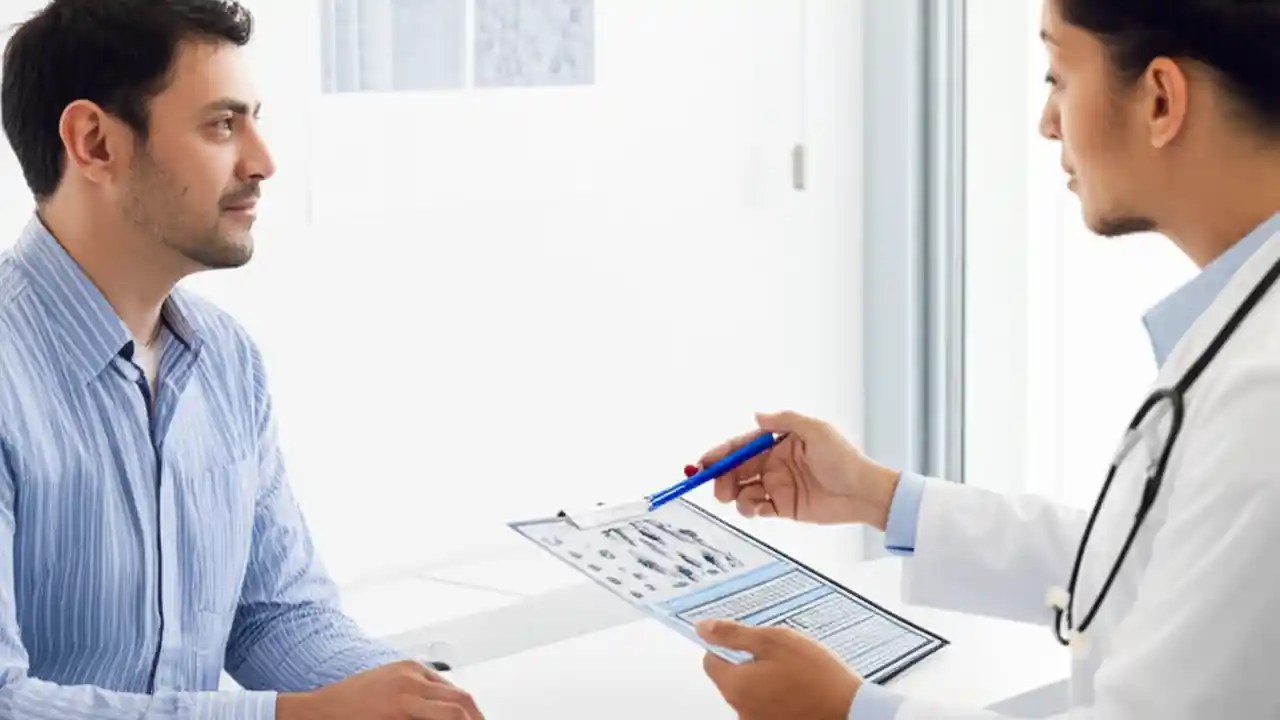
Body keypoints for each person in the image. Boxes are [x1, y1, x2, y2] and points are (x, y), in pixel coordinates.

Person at [694, 0, 1280, 718]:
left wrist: (849, 712)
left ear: (1160, 99)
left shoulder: (1264, 394)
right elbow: (1151, 564)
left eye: (1057, 75)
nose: (1047, 121)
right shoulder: (1247, 338)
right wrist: (874, 494)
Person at [0, 2, 482, 718]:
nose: (263, 161)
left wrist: (414, 698)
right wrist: (295, 716)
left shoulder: (225, 361)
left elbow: (276, 616)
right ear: (95, 143)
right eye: (222, 124)